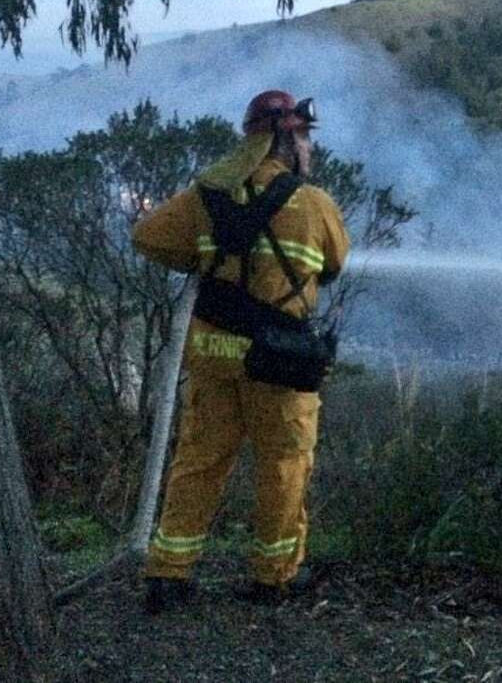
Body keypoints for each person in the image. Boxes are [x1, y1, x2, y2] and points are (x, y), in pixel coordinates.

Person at [131, 89, 350, 614]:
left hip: (212, 355)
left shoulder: (207, 196)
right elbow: (334, 263)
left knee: (198, 463)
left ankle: (169, 574)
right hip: (278, 361)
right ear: (286, 140)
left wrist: (201, 257)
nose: (308, 148)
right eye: (304, 137)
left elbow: (148, 236)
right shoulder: (314, 204)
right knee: (284, 465)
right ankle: (273, 577)